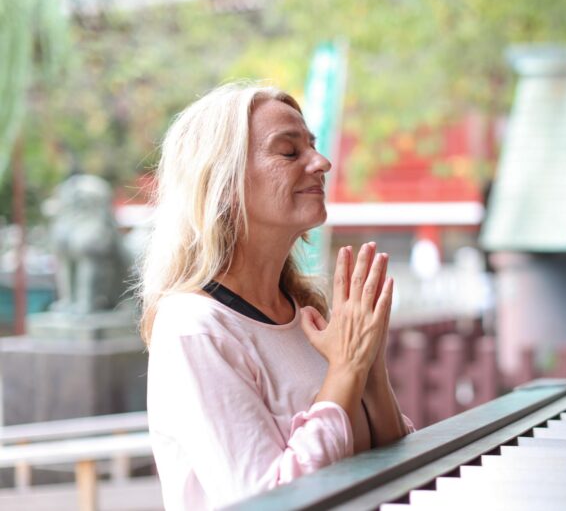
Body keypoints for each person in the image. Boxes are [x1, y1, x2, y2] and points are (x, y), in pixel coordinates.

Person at [139, 82, 414, 510]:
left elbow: (400, 470)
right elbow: (266, 501)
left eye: (313, 147)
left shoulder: (310, 314)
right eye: (289, 152)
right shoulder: (194, 329)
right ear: (222, 182)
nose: (321, 163)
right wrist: (345, 371)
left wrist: (369, 370)